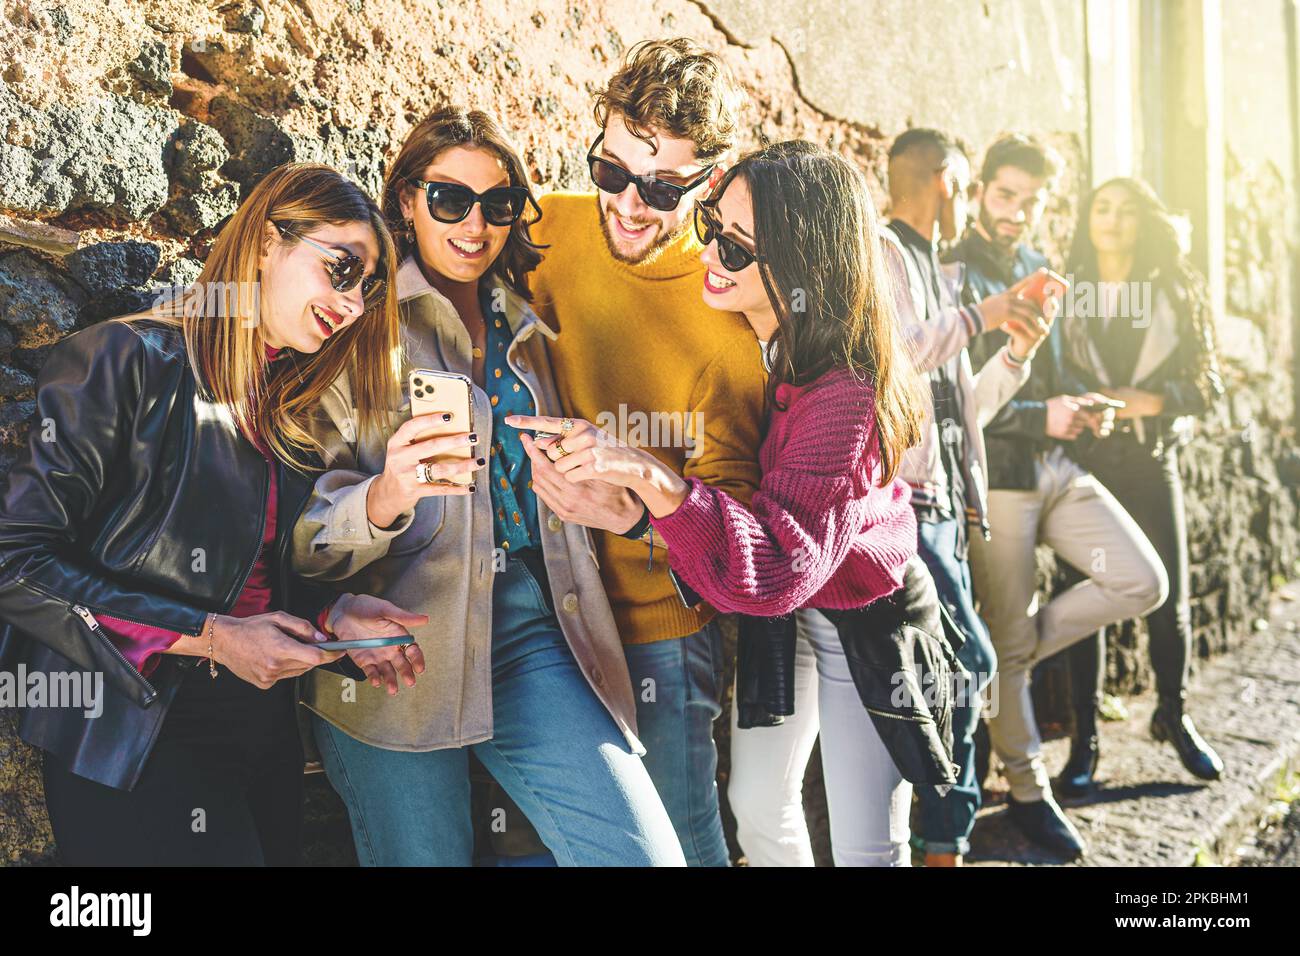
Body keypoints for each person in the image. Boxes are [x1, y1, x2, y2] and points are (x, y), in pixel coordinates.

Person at [510, 140, 961, 867]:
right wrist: (632, 510)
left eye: (736, 248)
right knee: (756, 805)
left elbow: (779, 561)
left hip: (858, 607)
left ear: (802, 265)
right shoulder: (761, 336)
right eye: (713, 226)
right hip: (784, 608)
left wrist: (651, 480)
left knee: (866, 844)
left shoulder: (843, 392)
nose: (709, 252)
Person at [291, 107, 684, 867]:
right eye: (449, 200)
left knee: (642, 857)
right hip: (396, 649)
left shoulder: (529, 327)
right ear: (406, 200)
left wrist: (609, 502)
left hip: (536, 630)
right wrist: (384, 496)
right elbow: (291, 535)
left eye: (498, 204)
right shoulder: (357, 326)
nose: (475, 224)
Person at [0, 163, 421, 865]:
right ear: (263, 243)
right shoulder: (124, 359)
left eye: (368, 289)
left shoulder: (286, 407)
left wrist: (331, 617)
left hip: (260, 733)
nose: (353, 304)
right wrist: (212, 636)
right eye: (341, 269)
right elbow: (17, 565)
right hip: (135, 732)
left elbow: (248, 577)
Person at [521, 38, 766, 867]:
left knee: (685, 847)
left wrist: (633, 518)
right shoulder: (542, 232)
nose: (628, 204)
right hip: (544, 619)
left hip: (660, 629)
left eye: (662, 188)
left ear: (714, 184)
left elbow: (732, 541)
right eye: (612, 171)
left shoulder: (729, 325)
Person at [954, 134, 1169, 860]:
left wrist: (1081, 404)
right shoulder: (951, 272)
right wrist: (1035, 415)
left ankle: (999, 659)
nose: (1017, 213)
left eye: (1032, 201)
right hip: (998, 480)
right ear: (982, 190)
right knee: (1009, 647)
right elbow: (952, 404)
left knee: (1142, 580)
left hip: (1057, 467)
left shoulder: (1038, 268)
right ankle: (1026, 790)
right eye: (1006, 196)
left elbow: (1045, 383)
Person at [879, 128, 1054, 866]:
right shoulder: (883, 252)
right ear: (948, 178)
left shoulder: (941, 274)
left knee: (954, 669)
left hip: (951, 503)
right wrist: (987, 314)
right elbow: (898, 355)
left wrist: (1016, 349)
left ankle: (938, 836)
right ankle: (941, 835)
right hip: (908, 504)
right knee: (970, 665)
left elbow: (964, 404)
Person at [1057, 177, 1227, 794]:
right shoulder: (1069, 292)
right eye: (1103, 208)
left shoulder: (1176, 290)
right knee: (1089, 596)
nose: (1114, 220)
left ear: (1142, 223)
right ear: (1089, 220)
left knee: (1171, 599)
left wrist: (1151, 399)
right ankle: (1084, 741)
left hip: (1152, 465)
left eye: (1128, 211)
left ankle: (1173, 717)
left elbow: (1209, 383)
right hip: (1089, 471)